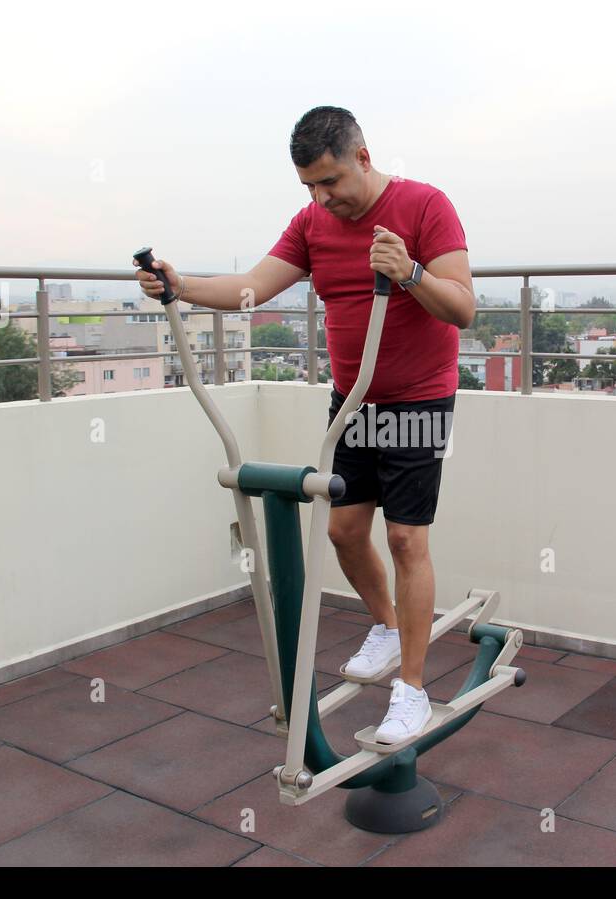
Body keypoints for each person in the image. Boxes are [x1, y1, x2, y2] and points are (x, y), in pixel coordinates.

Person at [135, 106, 475, 746]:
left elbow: (463, 309)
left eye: (331, 182)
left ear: (364, 158)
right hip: (353, 402)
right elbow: (253, 289)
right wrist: (180, 286)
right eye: (309, 188)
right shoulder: (314, 222)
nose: (322, 199)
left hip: (418, 401)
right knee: (345, 531)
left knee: (406, 541)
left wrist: (412, 273)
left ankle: (413, 690)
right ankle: (385, 624)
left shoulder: (426, 206)